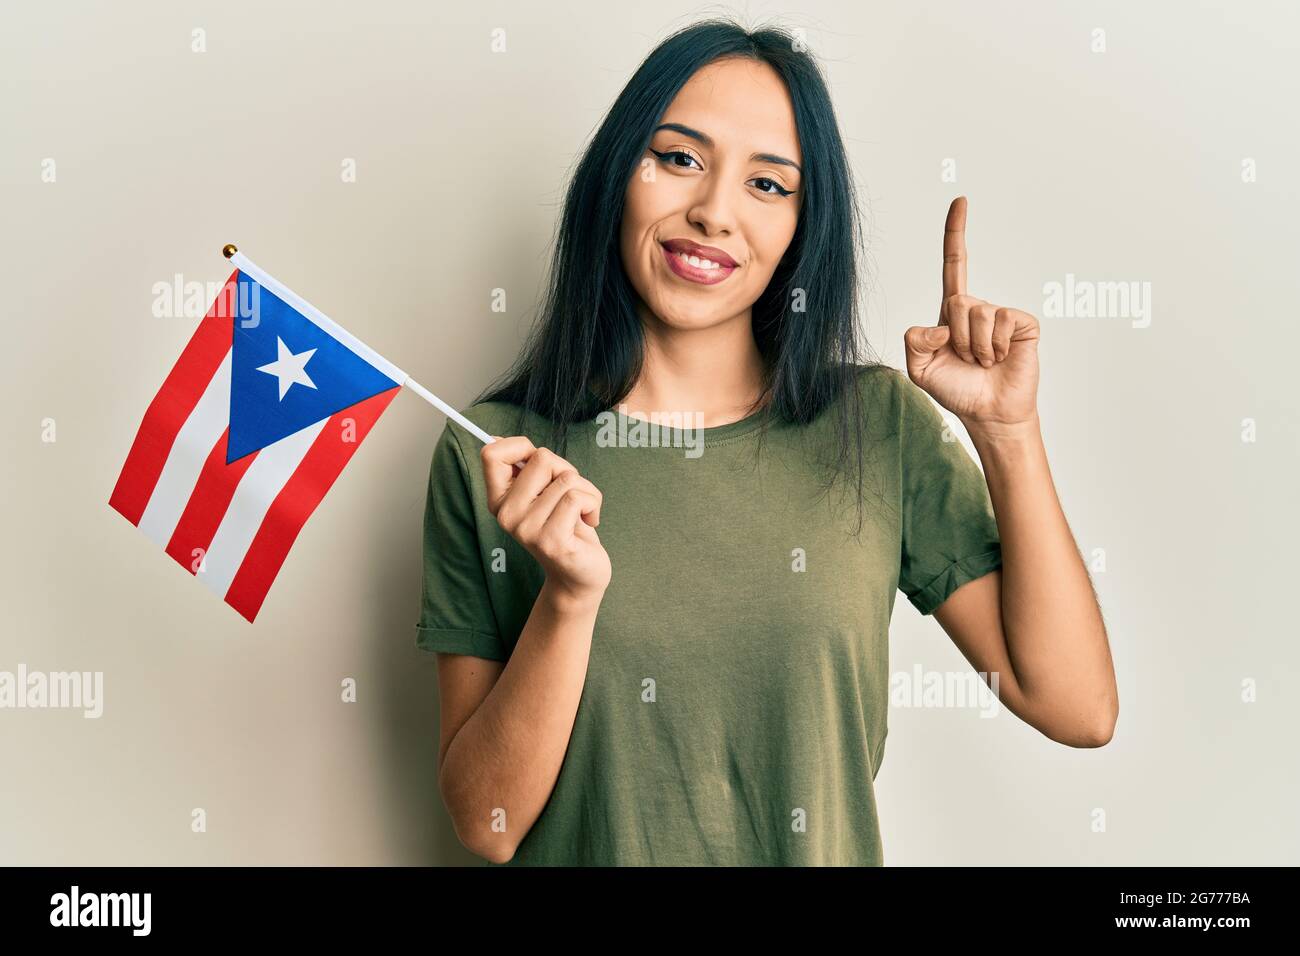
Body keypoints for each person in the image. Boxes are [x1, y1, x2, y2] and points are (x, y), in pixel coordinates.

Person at [416, 18, 1117, 866]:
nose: (712, 212)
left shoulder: (877, 427)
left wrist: (1007, 435)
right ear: (617, 176)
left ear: (802, 227)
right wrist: (567, 599)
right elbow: (486, 826)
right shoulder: (493, 454)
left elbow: (1078, 709)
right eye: (678, 158)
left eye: (768, 185)